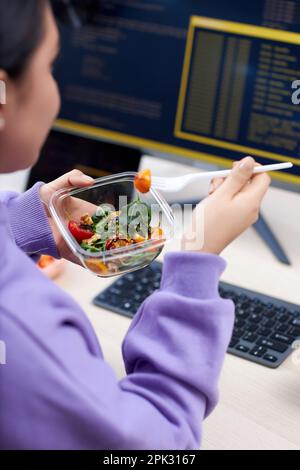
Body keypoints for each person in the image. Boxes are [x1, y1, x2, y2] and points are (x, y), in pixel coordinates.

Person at [0, 0, 271, 450]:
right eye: (51, 65)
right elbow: (156, 444)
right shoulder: (15, 323)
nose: (56, 87)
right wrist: (196, 263)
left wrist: (25, 219)